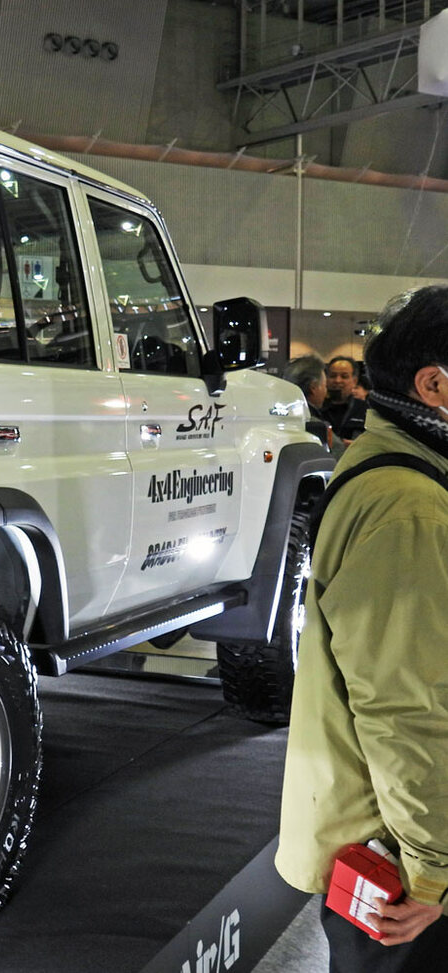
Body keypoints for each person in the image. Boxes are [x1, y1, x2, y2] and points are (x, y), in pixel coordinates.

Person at [277, 286, 448, 971]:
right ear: (435, 384)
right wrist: (433, 868)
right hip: (400, 860)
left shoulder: (401, 474)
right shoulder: (411, 508)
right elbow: (407, 708)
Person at [282, 354, 336, 452]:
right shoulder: (314, 425)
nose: (326, 392)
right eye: (325, 386)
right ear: (314, 387)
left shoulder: (278, 418)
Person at [321, 354, 369, 443]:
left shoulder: (364, 409)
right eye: (333, 376)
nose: (337, 381)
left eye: (344, 376)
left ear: (354, 381)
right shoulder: (317, 409)